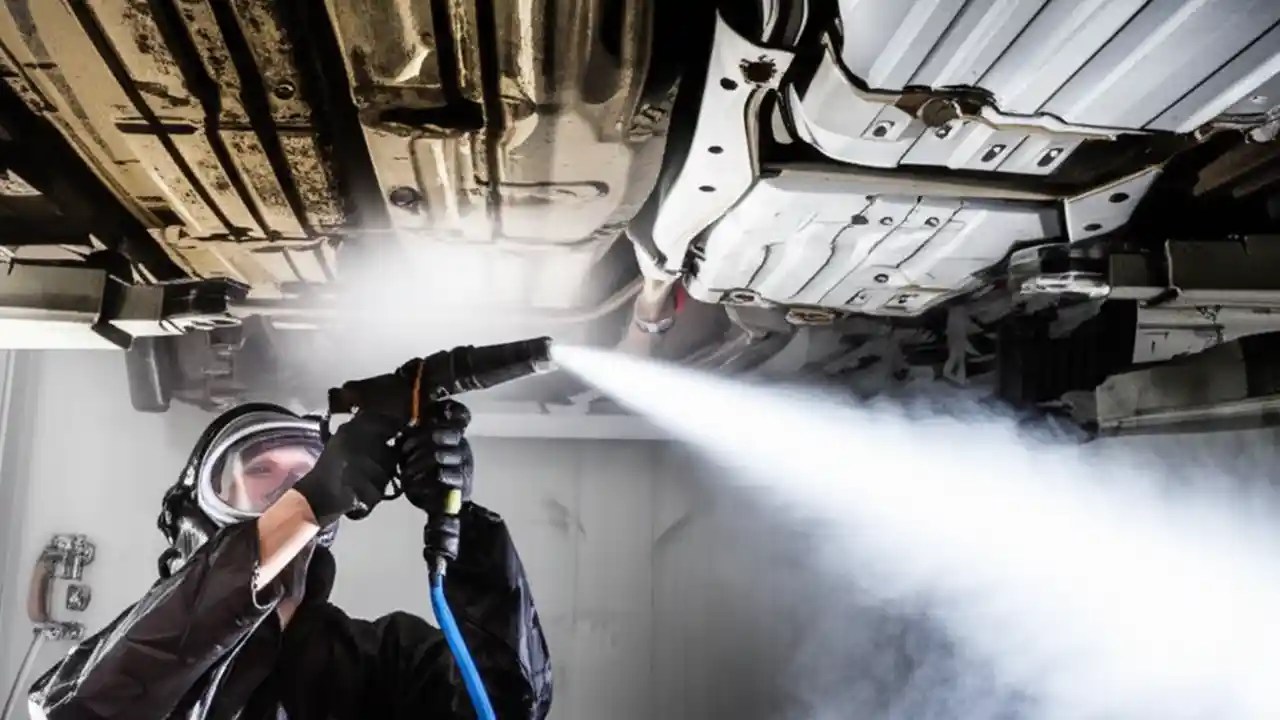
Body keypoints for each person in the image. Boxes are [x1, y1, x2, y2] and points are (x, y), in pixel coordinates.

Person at [27, 401, 553, 719]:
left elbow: (506, 703)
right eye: (261, 470)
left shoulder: (382, 658)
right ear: (197, 507)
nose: (292, 485)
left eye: (307, 472)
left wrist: (464, 528)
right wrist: (307, 502)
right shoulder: (123, 660)